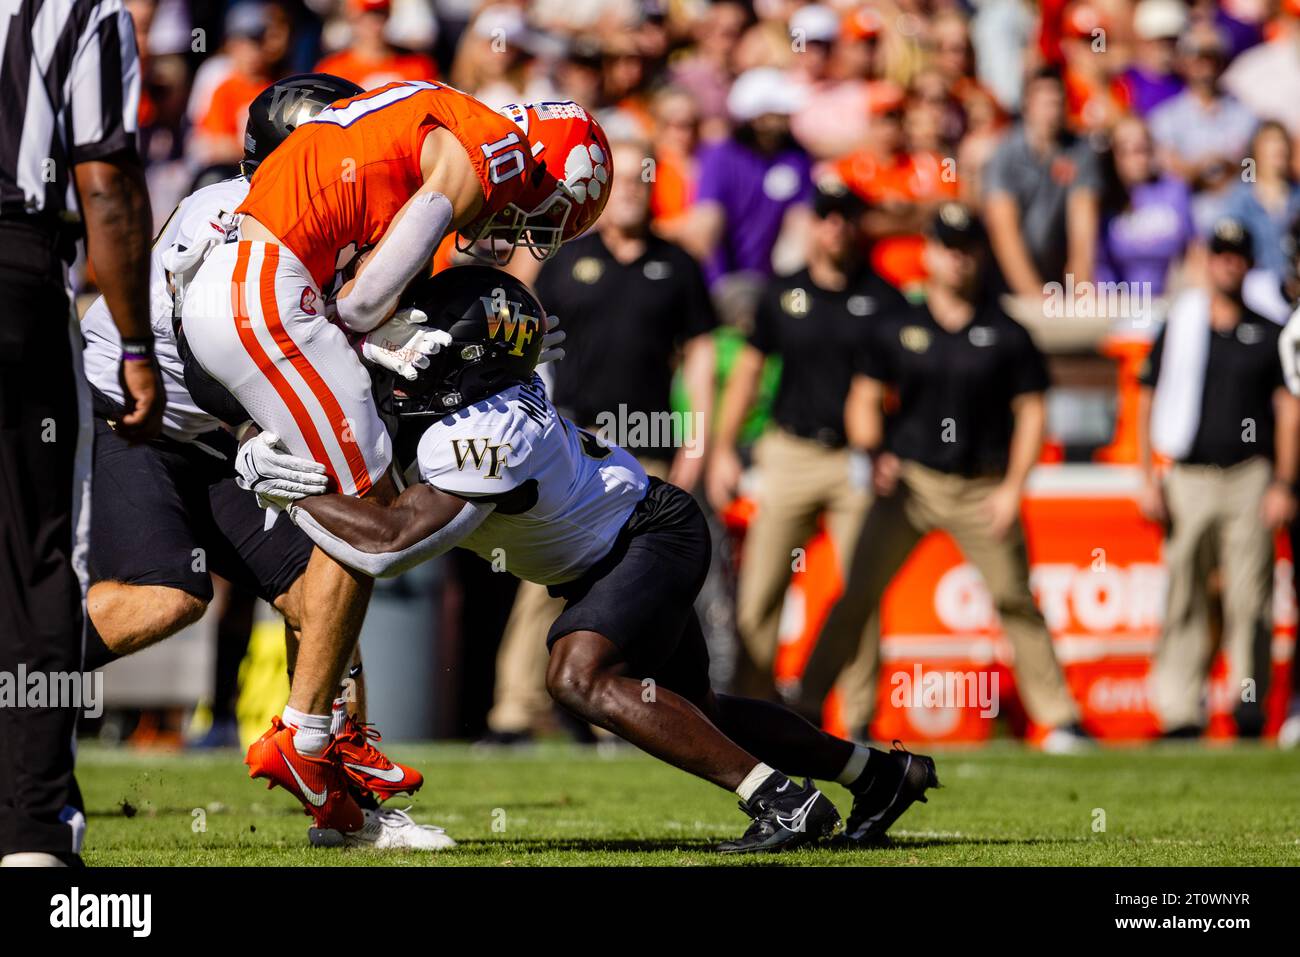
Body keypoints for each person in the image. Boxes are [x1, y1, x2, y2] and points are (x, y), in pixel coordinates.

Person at [239, 264, 941, 852]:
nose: (400, 352)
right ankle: (878, 773)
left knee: (577, 675)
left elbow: (393, 542)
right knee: (698, 711)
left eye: (421, 340)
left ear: (469, 358)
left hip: (646, 537)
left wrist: (286, 490)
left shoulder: (487, 428)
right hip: (621, 539)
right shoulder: (475, 391)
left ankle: (782, 800)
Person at [182, 84, 612, 832]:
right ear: (542, 161)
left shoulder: (443, 117)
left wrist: (374, 332)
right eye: (547, 210)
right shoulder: (488, 149)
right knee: (374, 524)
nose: (526, 226)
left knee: (364, 505)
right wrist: (373, 331)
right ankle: (310, 735)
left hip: (259, 285)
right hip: (270, 292)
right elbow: (362, 298)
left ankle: (333, 793)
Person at [79, 73, 451, 850]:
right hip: (136, 418)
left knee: (330, 584)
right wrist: (257, 428)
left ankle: (345, 808)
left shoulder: (324, 224)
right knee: (165, 596)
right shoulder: (223, 212)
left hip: (220, 435)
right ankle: (25, 677)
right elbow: (203, 340)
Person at [789, 203, 1090, 753]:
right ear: (928, 252)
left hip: (982, 486)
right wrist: (872, 451)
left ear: (980, 254)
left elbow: (1031, 413)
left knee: (1015, 599)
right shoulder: (898, 325)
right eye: (947, 246)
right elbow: (864, 400)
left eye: (966, 247)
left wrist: (1011, 488)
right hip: (911, 483)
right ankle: (806, 704)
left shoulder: (1007, 332)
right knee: (856, 593)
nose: (957, 258)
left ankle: (1061, 719)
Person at [482, 133, 717, 743]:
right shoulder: (564, 260)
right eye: (625, 183)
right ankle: (516, 710)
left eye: (645, 180)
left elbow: (699, 358)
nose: (635, 192)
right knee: (541, 576)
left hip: (649, 438)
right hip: (572, 441)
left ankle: (627, 716)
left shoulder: (679, 265)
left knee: (642, 580)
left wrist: (697, 445)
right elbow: (515, 319)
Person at [0, 0, 163, 868]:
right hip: (17, 265)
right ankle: (29, 827)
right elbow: (104, 178)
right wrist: (134, 342)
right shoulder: (81, 13)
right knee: (37, 560)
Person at [708, 179, 906, 703]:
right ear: (813, 225)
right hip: (789, 450)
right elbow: (749, 371)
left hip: (856, 460)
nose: (836, 226)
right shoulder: (782, 291)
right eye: (827, 216)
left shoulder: (885, 298)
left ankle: (847, 713)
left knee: (860, 594)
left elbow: (908, 384)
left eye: (846, 216)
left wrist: (893, 450)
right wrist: (724, 447)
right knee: (760, 594)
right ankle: (756, 710)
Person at [1138, 218, 1299, 738]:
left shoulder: (1267, 331)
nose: (1229, 262)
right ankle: (1180, 709)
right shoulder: (1181, 324)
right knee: (1185, 590)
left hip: (1250, 476)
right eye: (1221, 253)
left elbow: (1288, 410)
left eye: (1238, 254)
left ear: (1248, 263)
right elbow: (1146, 396)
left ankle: (1248, 706)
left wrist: (1284, 483)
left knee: (1249, 597)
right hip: (1189, 474)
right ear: (1209, 260)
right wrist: (1147, 475)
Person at [983, 67, 1101, 300]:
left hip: (1059, 279)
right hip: (1007, 284)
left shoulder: (1081, 152)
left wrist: (1079, 292)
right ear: (1027, 105)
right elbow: (1004, 232)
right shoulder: (1004, 154)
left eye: (1057, 102)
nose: (1052, 111)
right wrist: (1035, 296)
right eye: (1045, 103)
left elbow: (1083, 231)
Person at [1095, 116, 1195, 296]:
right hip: (1117, 305)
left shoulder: (1175, 190)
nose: (1137, 158)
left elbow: (1194, 251)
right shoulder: (1102, 199)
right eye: (1126, 150)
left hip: (1167, 301)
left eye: (1142, 149)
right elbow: (1098, 268)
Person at [314, 0, 439, 90]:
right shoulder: (333, 70)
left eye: (380, 14)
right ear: (351, 17)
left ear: (389, 15)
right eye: (366, 16)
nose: (374, 24)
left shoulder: (418, 65)